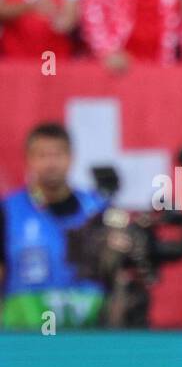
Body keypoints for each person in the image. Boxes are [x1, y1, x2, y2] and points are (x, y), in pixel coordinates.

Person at [0, 123, 107, 329]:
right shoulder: (8, 211)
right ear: (29, 160)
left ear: (71, 157)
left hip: (88, 338)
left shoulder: (97, 210)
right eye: (42, 156)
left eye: (57, 155)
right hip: (24, 339)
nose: (51, 164)